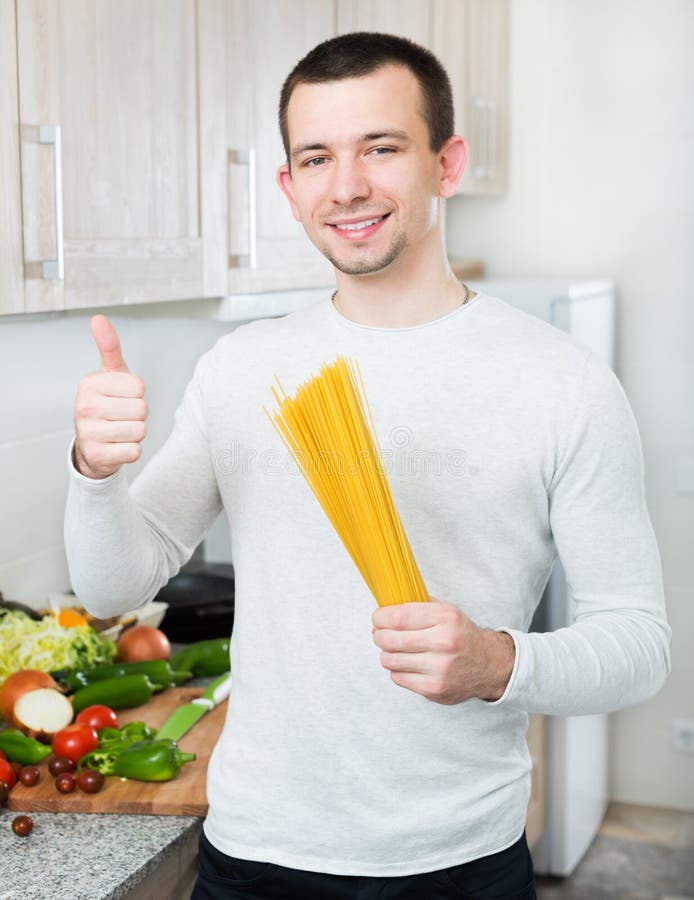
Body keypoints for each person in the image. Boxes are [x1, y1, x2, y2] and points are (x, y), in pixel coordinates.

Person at [65, 32, 671, 900]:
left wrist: (498, 663)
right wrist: (95, 469)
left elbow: (639, 647)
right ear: (289, 185)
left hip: (460, 861)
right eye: (316, 157)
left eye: (380, 147)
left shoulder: (562, 381)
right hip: (256, 856)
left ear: (446, 163)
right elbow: (110, 587)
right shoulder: (243, 369)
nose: (346, 185)